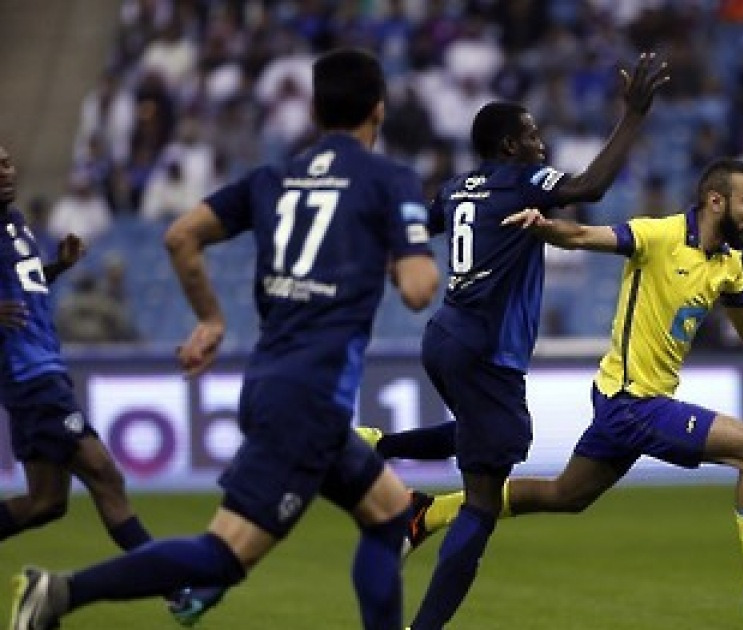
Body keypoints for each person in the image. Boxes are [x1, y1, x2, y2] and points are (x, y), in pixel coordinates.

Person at [11, 48, 440, 630]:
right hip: (310, 399)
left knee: (389, 515)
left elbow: (181, 236)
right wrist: (395, 256)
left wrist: (212, 319)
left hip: (272, 383)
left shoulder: (273, 178)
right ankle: (58, 592)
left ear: (314, 111)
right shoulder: (390, 180)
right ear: (379, 110)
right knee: (226, 552)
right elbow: (418, 289)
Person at [366, 159, 743, 617]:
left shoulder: (728, 262)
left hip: (625, 403)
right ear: (717, 200)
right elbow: (587, 235)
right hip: (632, 402)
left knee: (567, 495)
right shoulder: (660, 235)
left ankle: (430, 511)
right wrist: (546, 228)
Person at [401, 53, 668, 629]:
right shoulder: (524, 182)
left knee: (491, 434)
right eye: (530, 135)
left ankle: (379, 450)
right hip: (484, 348)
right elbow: (591, 187)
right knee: (481, 505)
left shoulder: (456, 188)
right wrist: (633, 115)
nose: (540, 143)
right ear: (506, 148)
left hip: (444, 335)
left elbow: (415, 226)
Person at [0, 143, 220, 624]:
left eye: (8, 161)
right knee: (105, 474)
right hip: (29, 377)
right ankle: (177, 589)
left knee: (45, 503)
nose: (7, 171)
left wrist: (57, 267)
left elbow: (20, 283)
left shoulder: (13, 223)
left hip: (41, 369)